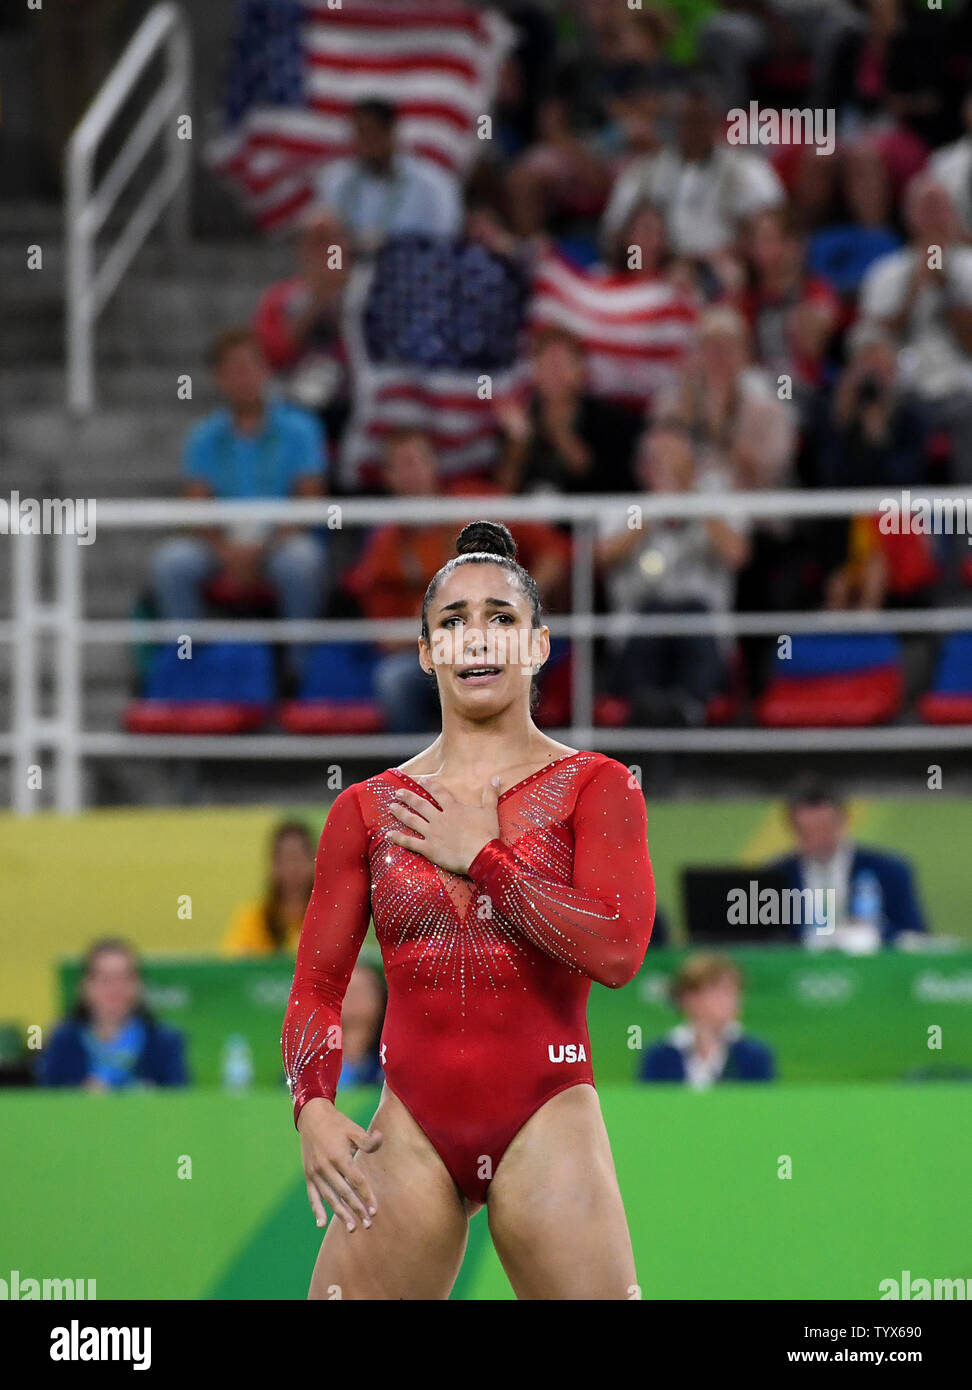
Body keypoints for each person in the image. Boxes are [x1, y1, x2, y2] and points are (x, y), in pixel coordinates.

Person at [282, 519, 656, 1299]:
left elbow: (619, 951)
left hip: (547, 1117)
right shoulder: (367, 808)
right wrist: (312, 1104)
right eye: (452, 622)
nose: (475, 638)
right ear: (426, 653)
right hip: (410, 1128)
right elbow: (317, 986)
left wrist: (486, 859)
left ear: (538, 645)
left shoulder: (599, 785)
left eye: (501, 618)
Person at [149, 328, 329, 681]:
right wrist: (227, 551)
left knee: (302, 561)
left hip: (281, 542)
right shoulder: (203, 436)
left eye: (250, 367)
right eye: (233, 369)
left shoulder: (301, 428)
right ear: (218, 379)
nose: (243, 377)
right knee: (171, 563)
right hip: (223, 546)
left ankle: (299, 674)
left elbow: (309, 502)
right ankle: (188, 669)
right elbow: (196, 509)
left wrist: (261, 550)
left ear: (265, 371)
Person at [764, 775, 929, 945]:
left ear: (843, 821)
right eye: (807, 832)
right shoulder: (775, 876)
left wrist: (874, 931)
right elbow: (759, 944)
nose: (817, 840)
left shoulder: (889, 871)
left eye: (824, 829)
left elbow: (914, 936)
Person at [252, 207, 351, 446]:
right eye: (315, 242)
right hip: (295, 400)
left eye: (330, 241)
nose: (323, 250)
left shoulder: (363, 295)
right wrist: (317, 299)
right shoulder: (278, 298)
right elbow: (272, 354)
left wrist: (338, 296)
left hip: (349, 400)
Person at [312, 98, 462, 252]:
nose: (366, 143)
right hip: (346, 267)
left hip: (407, 268)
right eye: (360, 133)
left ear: (390, 132)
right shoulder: (335, 179)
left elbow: (444, 242)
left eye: (372, 133)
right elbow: (326, 238)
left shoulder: (433, 185)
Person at [38, 939, 188, 1090]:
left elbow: (181, 1101)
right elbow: (45, 1099)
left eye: (124, 978)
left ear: (139, 985)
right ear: (86, 987)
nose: (115, 989)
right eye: (105, 979)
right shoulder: (62, 1041)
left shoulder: (165, 1043)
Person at [640, 954, 775, 1087]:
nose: (731, 1000)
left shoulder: (754, 1055)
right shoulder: (660, 1055)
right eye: (720, 991)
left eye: (735, 992)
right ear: (689, 998)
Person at [222, 822, 316, 957]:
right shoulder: (254, 916)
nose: (293, 868)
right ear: (273, 865)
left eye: (299, 859)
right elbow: (233, 964)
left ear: (314, 863)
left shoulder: (327, 917)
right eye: (286, 860)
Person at [337, 964, 386, 1090]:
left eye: (361, 991)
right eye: (345, 989)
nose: (352, 997)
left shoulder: (391, 1065)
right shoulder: (308, 1067)